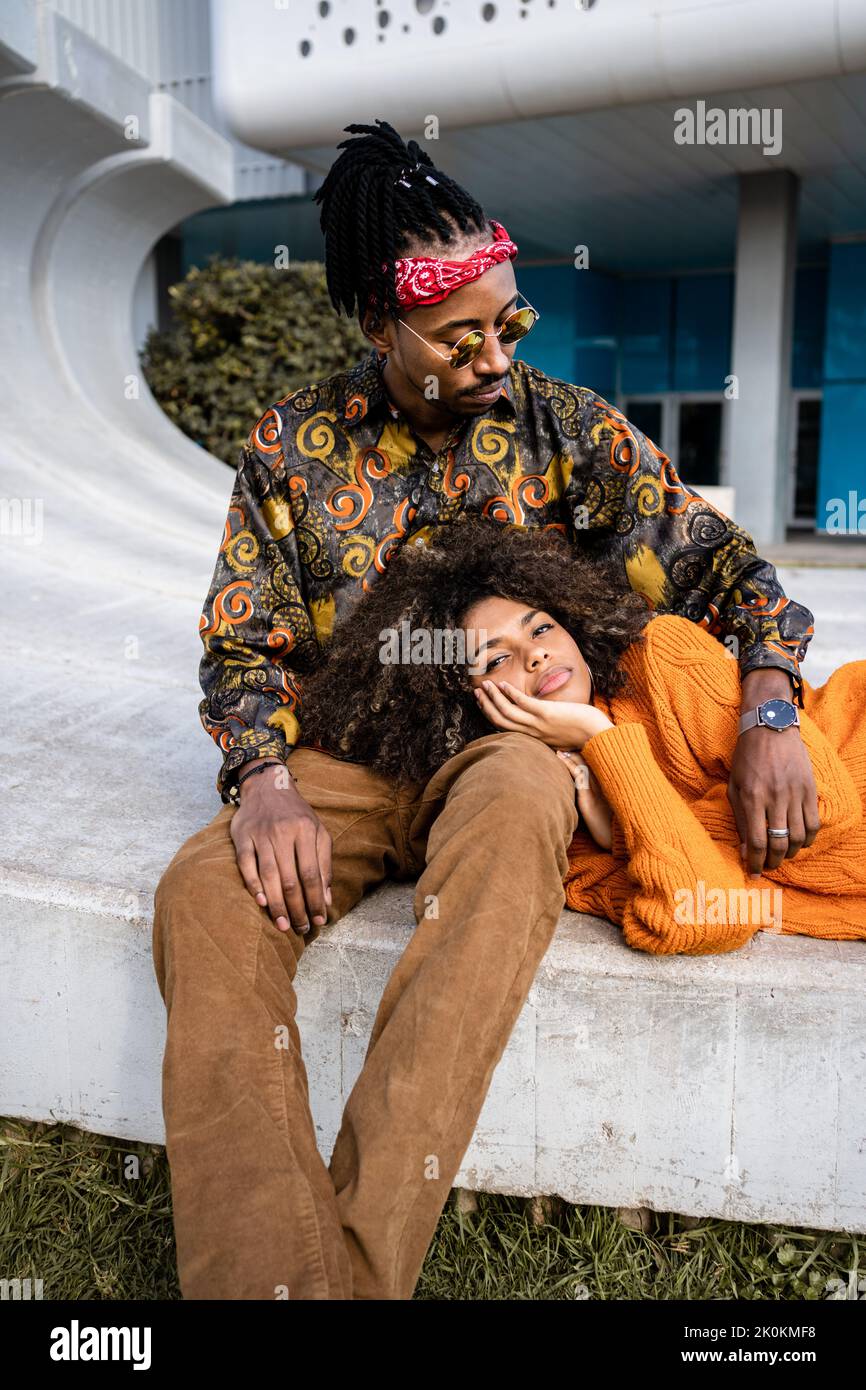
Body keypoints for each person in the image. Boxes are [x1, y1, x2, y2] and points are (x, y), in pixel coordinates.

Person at [152, 119, 820, 1301]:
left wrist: (768, 710)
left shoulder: (564, 427)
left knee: (516, 815)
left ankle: (347, 1272)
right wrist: (261, 785)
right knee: (202, 897)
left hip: (503, 753)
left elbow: (729, 571)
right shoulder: (289, 449)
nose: (493, 356)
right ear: (374, 321)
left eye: (508, 322)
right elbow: (240, 645)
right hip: (346, 762)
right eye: (458, 336)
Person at [297, 515, 866, 956]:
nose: (535, 652)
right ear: (469, 707)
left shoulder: (661, 655)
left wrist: (619, 806)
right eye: (496, 661)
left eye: (542, 627)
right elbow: (700, 914)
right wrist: (606, 770)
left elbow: (821, 809)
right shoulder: (565, 841)